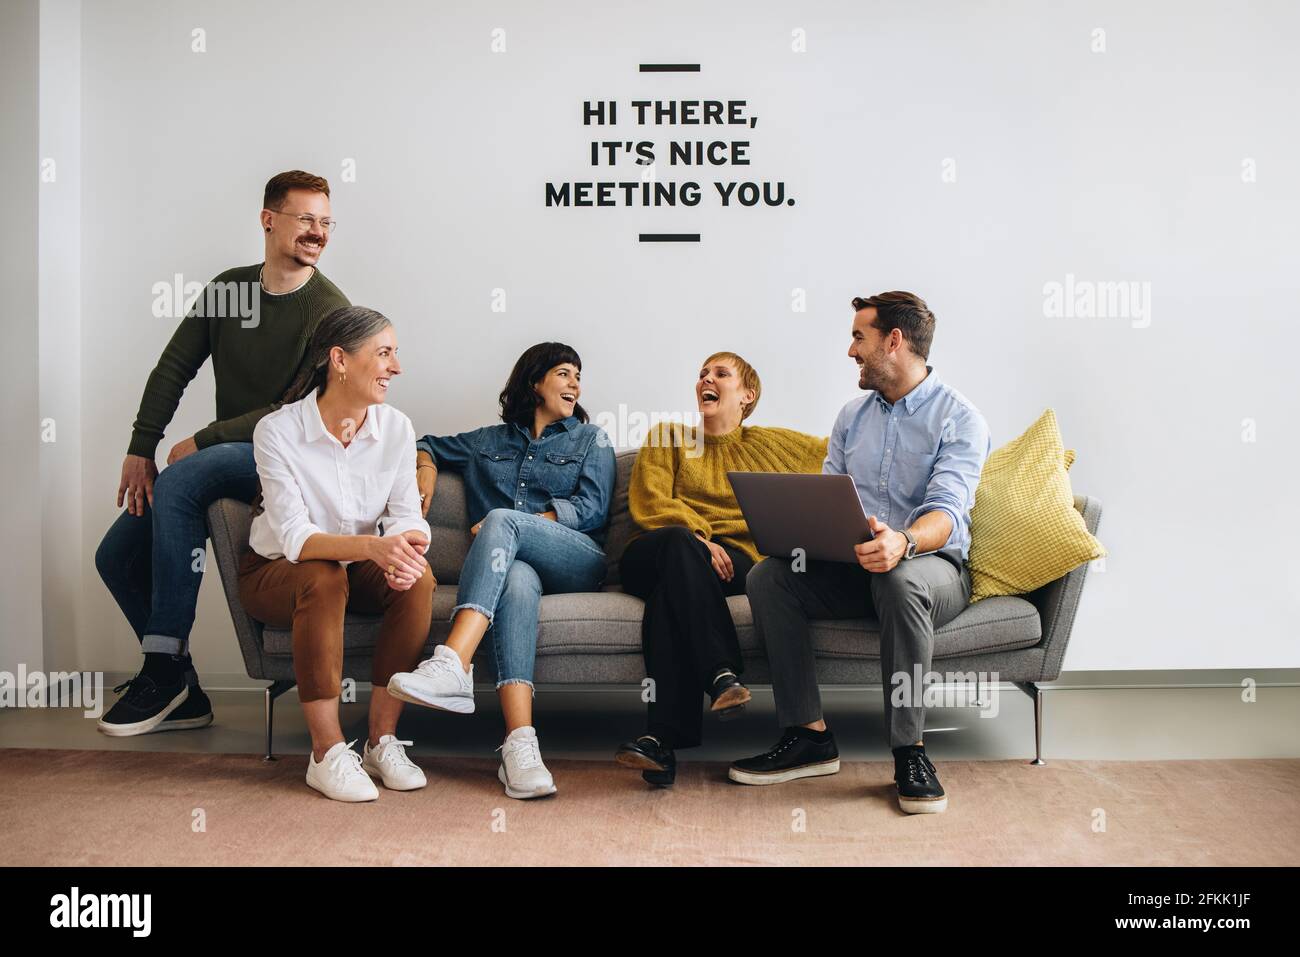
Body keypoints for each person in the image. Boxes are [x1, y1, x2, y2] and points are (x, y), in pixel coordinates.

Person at [95, 170, 351, 737]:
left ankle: (161, 668)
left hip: (291, 460)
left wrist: (204, 439)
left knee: (184, 479)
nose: (318, 233)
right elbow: (172, 370)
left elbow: (301, 409)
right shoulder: (230, 290)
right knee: (114, 556)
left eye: (326, 222)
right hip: (235, 451)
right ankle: (184, 688)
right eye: (305, 219)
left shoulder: (329, 310)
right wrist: (142, 447)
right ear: (268, 220)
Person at [730, 292, 990, 814]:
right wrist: (808, 535)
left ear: (893, 341)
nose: (850, 351)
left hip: (931, 568)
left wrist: (905, 540)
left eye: (858, 338)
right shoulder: (852, 416)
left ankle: (909, 751)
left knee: (899, 579)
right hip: (855, 566)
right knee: (768, 577)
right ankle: (808, 736)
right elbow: (830, 499)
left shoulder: (960, 419)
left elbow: (947, 512)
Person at [386, 343, 616, 800]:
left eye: (578, 377)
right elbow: (425, 443)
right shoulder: (487, 441)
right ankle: (520, 746)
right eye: (564, 374)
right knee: (515, 579)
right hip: (512, 567)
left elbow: (592, 510)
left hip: (575, 560)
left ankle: (453, 661)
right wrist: (426, 468)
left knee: (501, 520)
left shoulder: (592, 440)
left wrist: (514, 525)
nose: (575, 385)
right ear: (535, 382)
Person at [238, 307, 435, 802]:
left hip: (353, 567)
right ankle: (325, 753)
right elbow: (296, 539)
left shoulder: (396, 428)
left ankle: (381, 741)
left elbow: (408, 513)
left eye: (395, 354)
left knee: (419, 579)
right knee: (322, 575)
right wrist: (374, 546)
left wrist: (408, 546)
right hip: (277, 573)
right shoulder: (277, 433)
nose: (397, 367)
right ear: (339, 360)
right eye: (384, 353)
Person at [613, 352, 827, 787]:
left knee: (669, 600)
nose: (705, 379)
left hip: (731, 562)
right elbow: (650, 503)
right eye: (702, 374)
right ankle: (720, 673)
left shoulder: (771, 446)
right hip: (656, 550)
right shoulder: (668, 437)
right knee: (678, 547)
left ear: (747, 395)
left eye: (720, 374)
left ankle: (661, 742)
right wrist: (698, 537)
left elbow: (839, 450)